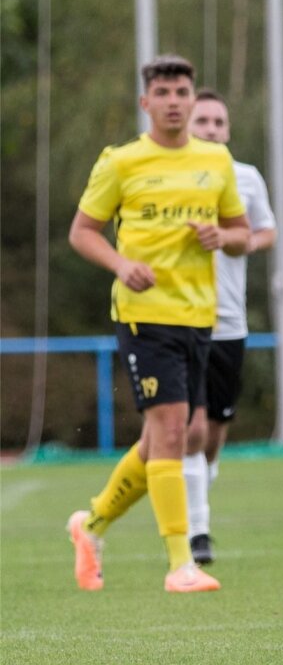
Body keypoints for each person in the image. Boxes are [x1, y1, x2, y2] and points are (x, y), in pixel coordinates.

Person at [67, 54, 250, 593]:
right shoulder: (121, 163)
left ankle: (92, 523)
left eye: (181, 92)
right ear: (146, 102)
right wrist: (122, 265)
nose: (173, 101)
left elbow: (242, 233)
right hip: (143, 317)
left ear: (193, 101)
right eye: (163, 93)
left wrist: (222, 238)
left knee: (167, 436)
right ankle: (180, 563)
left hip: (199, 317)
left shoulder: (216, 162)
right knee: (173, 431)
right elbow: (83, 231)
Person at [183, 89, 279, 564]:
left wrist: (234, 241)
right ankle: (196, 531)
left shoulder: (245, 178)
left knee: (215, 433)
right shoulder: (170, 177)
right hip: (180, 319)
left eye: (219, 122)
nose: (212, 129)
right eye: (204, 121)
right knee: (193, 428)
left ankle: (197, 491)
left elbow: (265, 231)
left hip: (228, 322)